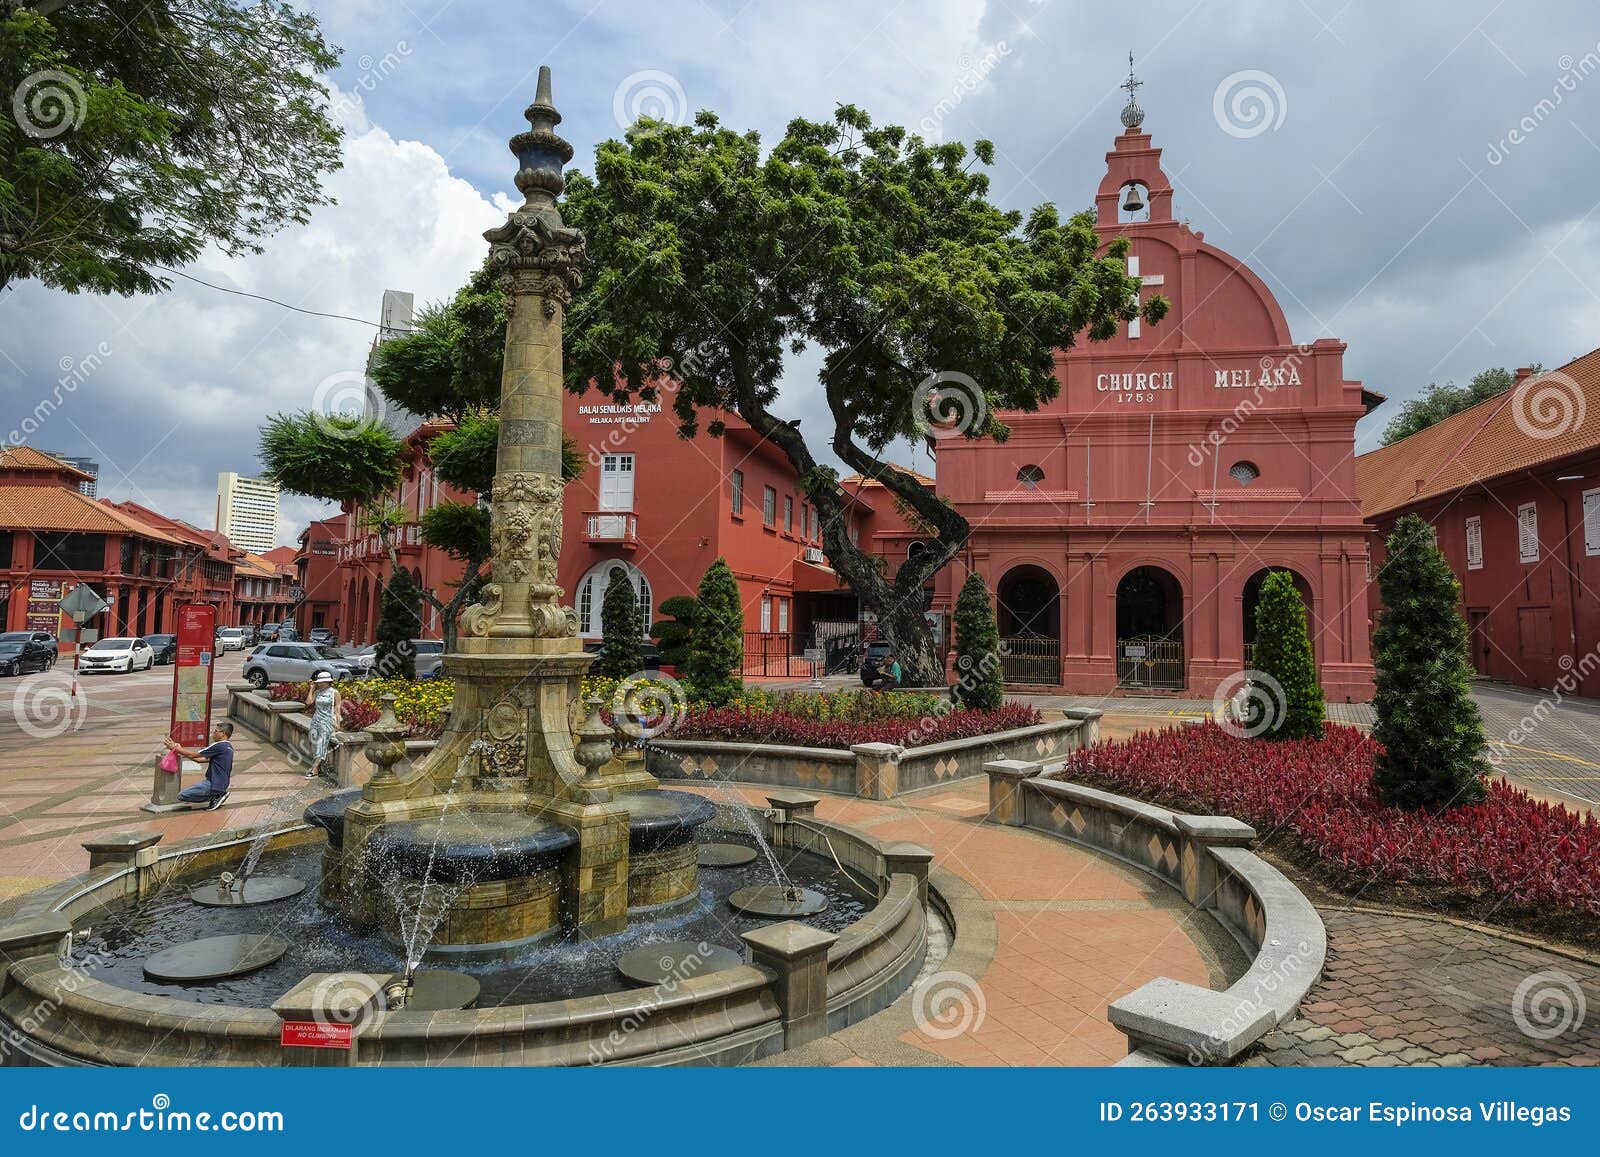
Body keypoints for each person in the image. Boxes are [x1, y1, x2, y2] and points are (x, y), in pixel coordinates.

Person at [164, 722, 235, 811]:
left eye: (215, 731)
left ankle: (216, 796)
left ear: (223, 733)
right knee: (186, 794)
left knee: (182, 795)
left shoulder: (219, 745)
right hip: (222, 785)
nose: (213, 733)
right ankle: (217, 795)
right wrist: (180, 751)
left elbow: (194, 755)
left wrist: (176, 748)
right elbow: (199, 760)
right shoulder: (228, 747)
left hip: (213, 784)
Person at [303, 669, 342, 780]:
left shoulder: (334, 692)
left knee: (321, 743)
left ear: (328, 682)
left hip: (327, 721)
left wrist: (337, 723)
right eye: (319, 682)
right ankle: (318, 766)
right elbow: (308, 702)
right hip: (316, 720)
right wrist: (311, 689)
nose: (320, 684)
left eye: (322, 682)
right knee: (314, 743)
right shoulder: (317, 692)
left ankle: (314, 768)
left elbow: (337, 708)